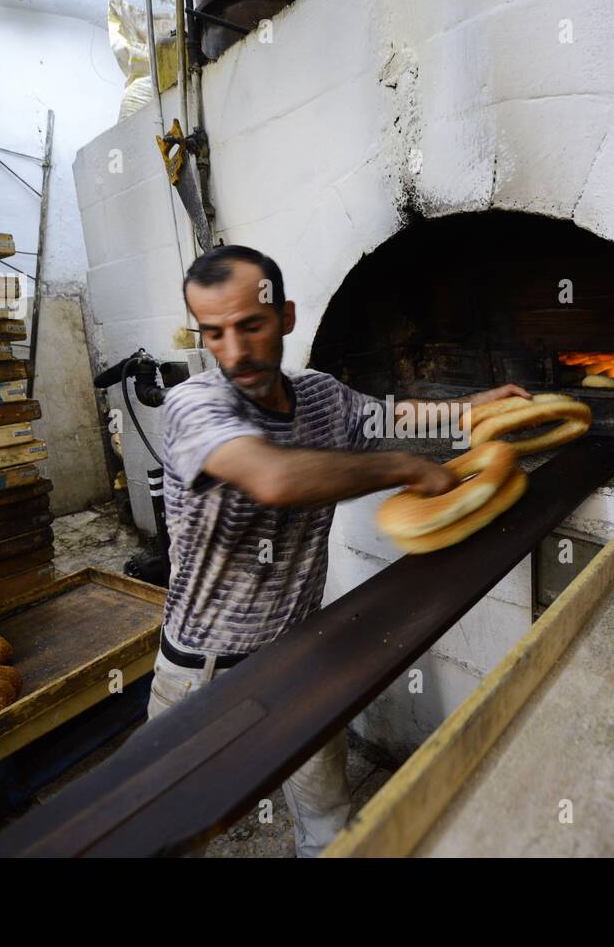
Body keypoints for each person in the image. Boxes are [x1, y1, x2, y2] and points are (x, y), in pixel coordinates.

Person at [146, 244, 529, 856]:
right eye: (213, 333)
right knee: (161, 830)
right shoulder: (197, 405)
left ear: (287, 316)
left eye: (251, 325)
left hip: (300, 650)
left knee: (329, 821)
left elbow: (389, 416)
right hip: (206, 670)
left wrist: (472, 408)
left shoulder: (320, 395)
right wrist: (403, 470)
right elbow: (273, 478)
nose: (234, 352)